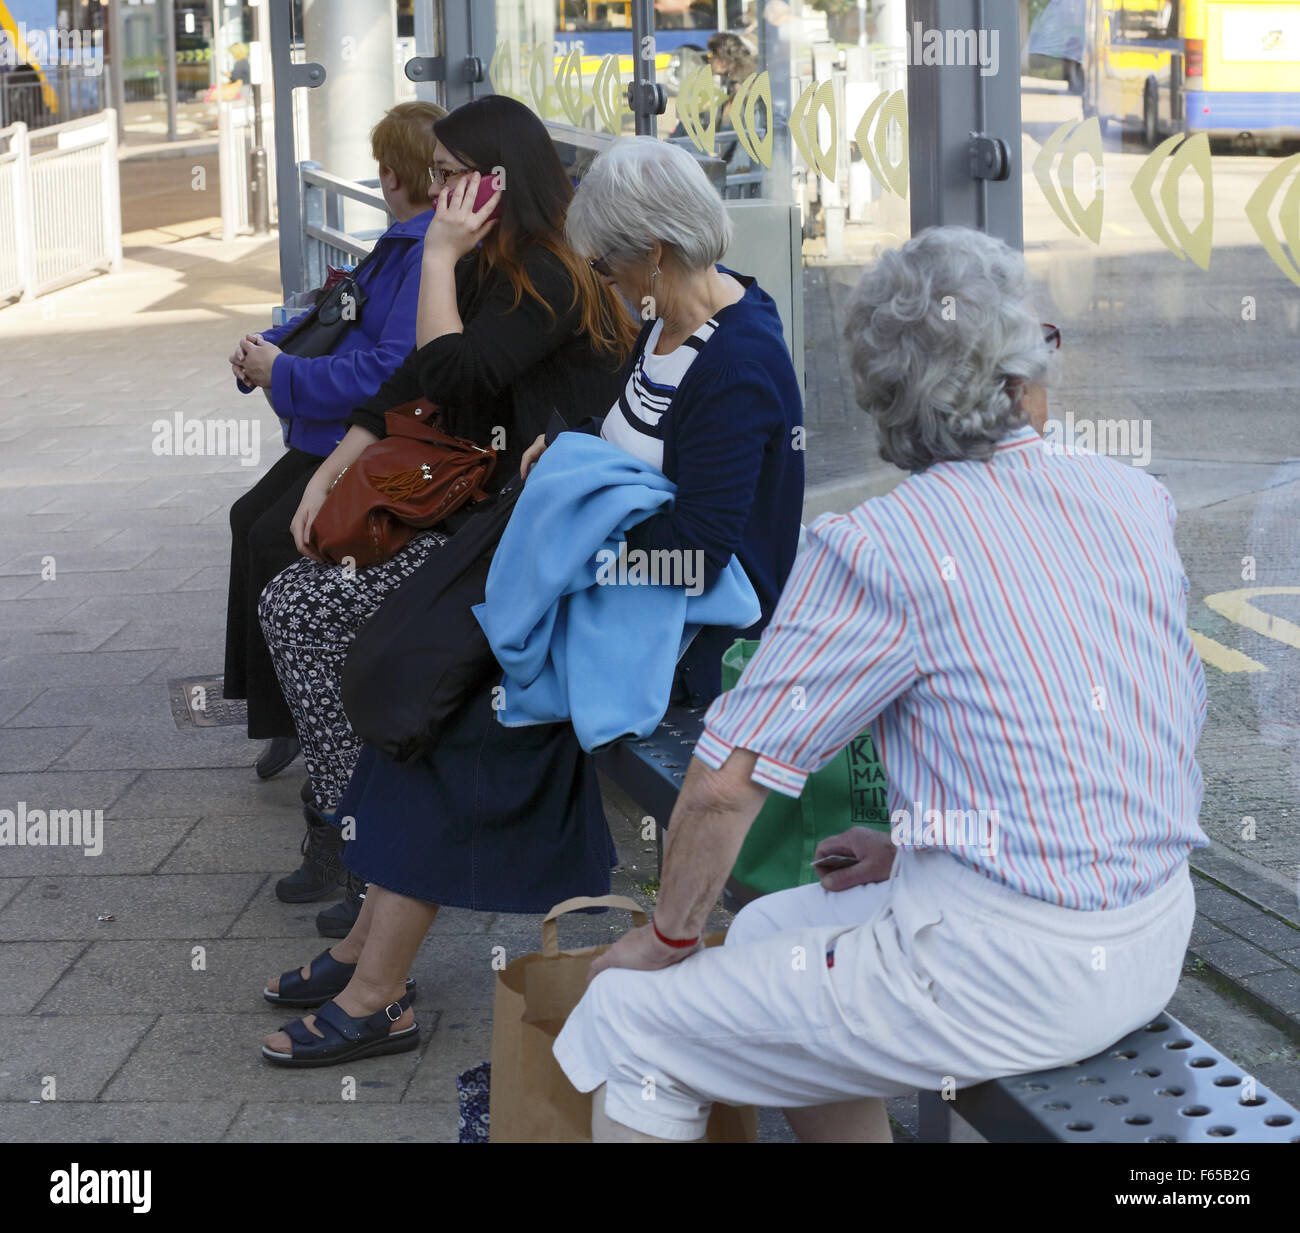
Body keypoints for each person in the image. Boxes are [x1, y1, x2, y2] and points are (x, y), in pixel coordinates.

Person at [550, 224, 1208, 1143]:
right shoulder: (1131, 497)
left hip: (1010, 972)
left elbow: (725, 787)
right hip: (1150, 928)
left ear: (883, 396)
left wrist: (663, 941)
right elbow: (1105, 740)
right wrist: (915, 849)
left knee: (628, 1020)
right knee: (770, 928)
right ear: (1021, 376)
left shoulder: (881, 546)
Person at [258, 136, 806, 1067]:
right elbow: (627, 441)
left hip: (685, 635)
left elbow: (698, 557)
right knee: (426, 690)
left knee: (453, 714)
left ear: (656, 254)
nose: (601, 277)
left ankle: (378, 994)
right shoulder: (670, 324)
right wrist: (570, 453)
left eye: (609, 262)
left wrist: (568, 558)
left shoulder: (737, 362)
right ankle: (364, 952)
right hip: (621, 602)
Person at [256, 95, 637, 932]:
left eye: (448, 176)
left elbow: (458, 372)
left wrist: (435, 253)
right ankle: (353, 825)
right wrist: (332, 469)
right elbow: (411, 382)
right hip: (478, 514)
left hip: (530, 540)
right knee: (290, 594)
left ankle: (361, 842)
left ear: (497, 181)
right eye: (432, 177)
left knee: (310, 611)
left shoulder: (551, 271)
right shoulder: (487, 257)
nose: (435, 193)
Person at [224, 101, 444, 787]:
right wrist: (270, 352)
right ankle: (276, 709)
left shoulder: (418, 250)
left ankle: (293, 712)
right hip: (342, 426)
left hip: (372, 438)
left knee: (271, 535)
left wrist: (283, 372)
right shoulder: (405, 243)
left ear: (391, 175)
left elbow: (388, 371)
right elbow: (336, 320)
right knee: (247, 518)